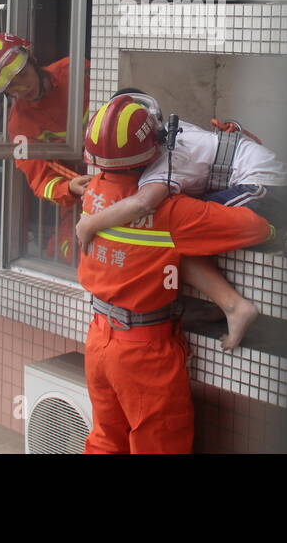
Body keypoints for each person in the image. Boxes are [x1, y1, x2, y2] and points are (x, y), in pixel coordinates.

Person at [79, 93, 273, 453]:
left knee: (107, 439)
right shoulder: (173, 212)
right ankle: (233, 305)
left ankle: (232, 305)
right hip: (143, 350)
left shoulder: (94, 194)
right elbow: (253, 228)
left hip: (99, 337)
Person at [76, 88, 287, 349]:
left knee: (178, 231)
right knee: (179, 230)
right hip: (268, 184)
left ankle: (235, 305)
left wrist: (90, 222)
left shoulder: (164, 163)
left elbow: (141, 204)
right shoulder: (167, 131)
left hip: (271, 192)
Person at [0, 33, 90, 260]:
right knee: (66, 252)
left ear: (32, 60)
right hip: (84, 191)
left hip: (130, 168)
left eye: (23, 75)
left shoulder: (75, 72)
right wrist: (69, 188)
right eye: (11, 87)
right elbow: (40, 181)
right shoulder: (19, 128)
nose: (22, 88)